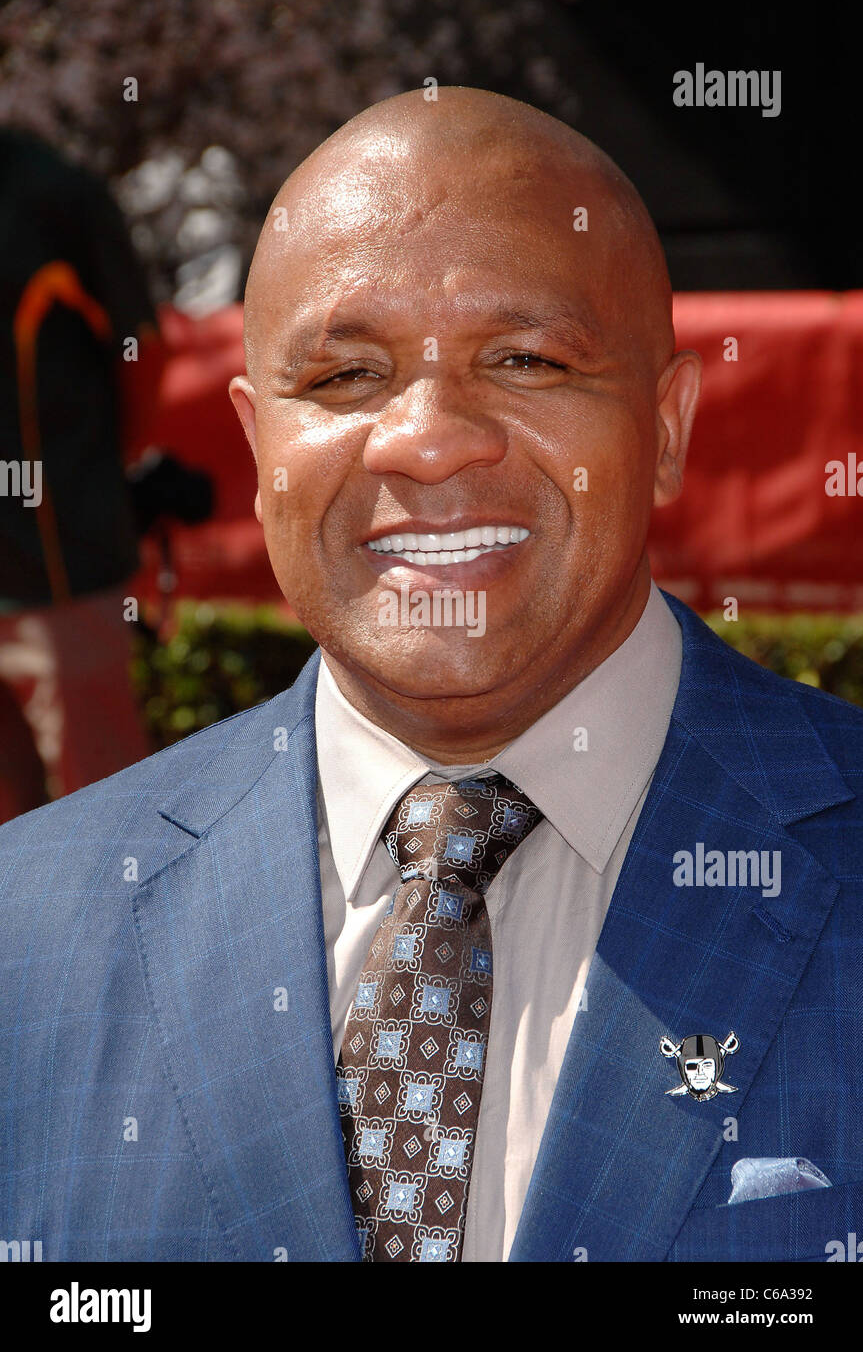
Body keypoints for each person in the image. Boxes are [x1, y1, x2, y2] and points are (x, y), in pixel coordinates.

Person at [1, 88, 861, 1264]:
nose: (427, 434)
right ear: (257, 452)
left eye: (523, 357)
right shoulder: (27, 931)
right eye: (346, 376)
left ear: (663, 429)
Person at [0, 131, 154, 820]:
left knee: (105, 829)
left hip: (60, 570)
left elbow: (143, 351)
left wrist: (99, 478)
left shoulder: (54, 194)